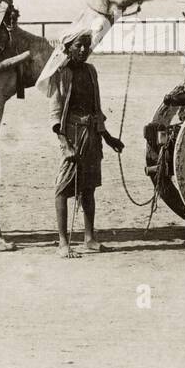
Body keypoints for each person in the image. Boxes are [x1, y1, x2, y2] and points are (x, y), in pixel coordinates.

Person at [48, 31, 124, 257]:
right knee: (63, 188)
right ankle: (63, 243)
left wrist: (109, 138)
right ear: (68, 47)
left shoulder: (91, 71)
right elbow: (55, 115)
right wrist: (66, 145)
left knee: (88, 189)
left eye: (87, 46)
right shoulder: (60, 74)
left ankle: (89, 238)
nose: (84, 50)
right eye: (79, 45)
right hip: (72, 135)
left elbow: (96, 109)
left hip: (92, 135)